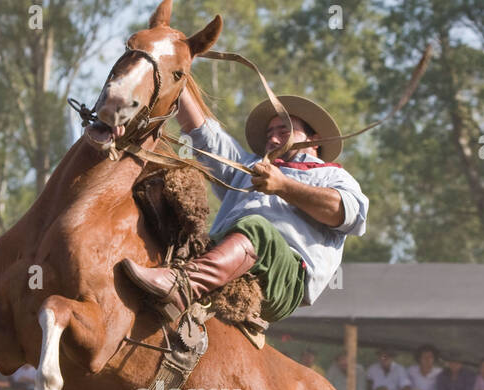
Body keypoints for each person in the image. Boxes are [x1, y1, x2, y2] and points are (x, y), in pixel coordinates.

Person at [122, 83, 368, 324]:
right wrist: (175, 73)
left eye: (283, 131)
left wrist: (284, 186)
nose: (272, 138)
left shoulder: (334, 177)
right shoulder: (249, 167)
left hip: (285, 281)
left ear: (314, 139)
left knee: (257, 227)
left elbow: (346, 214)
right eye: (269, 133)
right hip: (219, 255)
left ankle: (182, 286)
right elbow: (203, 134)